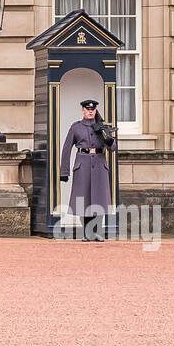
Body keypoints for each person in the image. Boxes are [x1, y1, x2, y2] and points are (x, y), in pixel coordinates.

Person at [59, 99, 117, 241]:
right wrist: (64, 171)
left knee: (99, 199)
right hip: (83, 164)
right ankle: (87, 232)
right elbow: (66, 149)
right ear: (83, 111)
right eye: (88, 109)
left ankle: (97, 231)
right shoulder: (76, 127)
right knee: (84, 200)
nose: (90, 111)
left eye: (93, 109)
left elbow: (114, 148)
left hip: (99, 163)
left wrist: (108, 139)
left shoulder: (102, 127)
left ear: (95, 111)